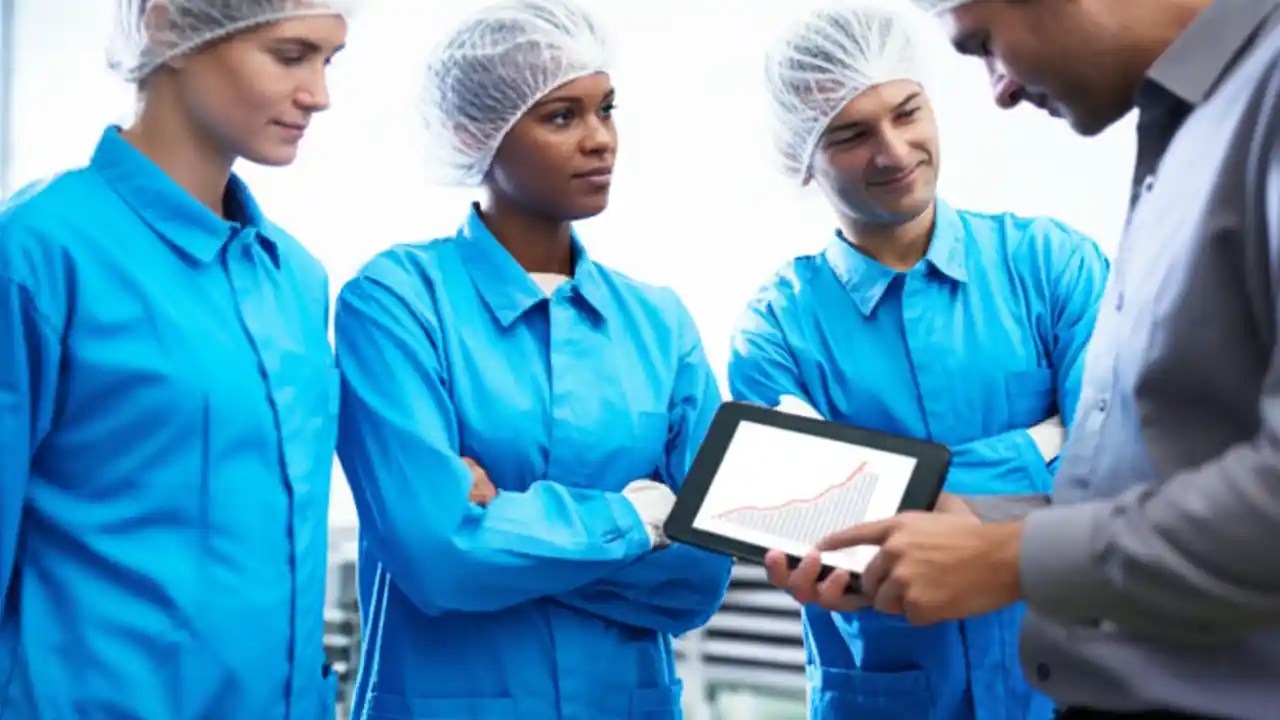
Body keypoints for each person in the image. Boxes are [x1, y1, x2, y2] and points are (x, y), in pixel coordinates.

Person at [775, 0, 1280, 717]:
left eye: (984, 43)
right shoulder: (1192, 134)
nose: (1000, 88)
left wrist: (1007, 553)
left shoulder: (1054, 252)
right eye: (851, 134)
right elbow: (1125, 481)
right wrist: (1001, 492)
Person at [333, 1, 733, 717]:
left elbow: (701, 576)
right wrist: (640, 521)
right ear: (473, 132)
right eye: (561, 117)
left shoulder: (660, 322)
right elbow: (434, 558)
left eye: (606, 109)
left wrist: (504, 532)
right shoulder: (394, 300)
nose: (600, 140)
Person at [730, 1, 1109, 718]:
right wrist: (1037, 449)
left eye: (907, 113)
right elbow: (819, 525)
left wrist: (893, 486)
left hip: (1062, 684)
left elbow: (1115, 473)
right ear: (799, 157)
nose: (895, 151)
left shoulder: (1053, 265)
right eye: (851, 134)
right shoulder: (776, 329)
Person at [0, 1, 350, 718]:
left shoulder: (295, 277)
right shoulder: (36, 254)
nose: (319, 94)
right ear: (168, 31)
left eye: (328, 61)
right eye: (290, 56)